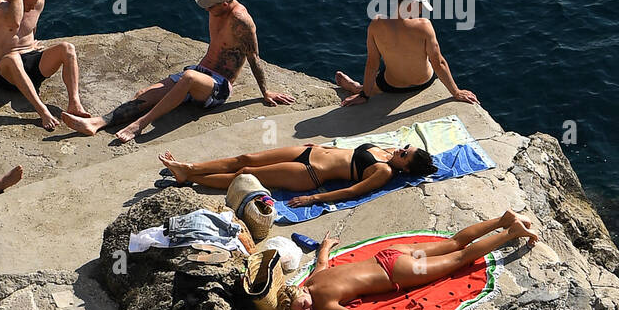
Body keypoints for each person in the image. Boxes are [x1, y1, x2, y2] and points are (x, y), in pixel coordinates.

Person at [62, 0, 295, 143]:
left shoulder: (241, 22)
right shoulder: (217, 10)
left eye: (210, 6)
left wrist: (265, 92)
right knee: (145, 93)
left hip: (218, 87)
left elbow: (254, 57)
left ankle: (140, 125)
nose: (206, 9)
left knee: (188, 77)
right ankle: (97, 123)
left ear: (224, 4)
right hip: (200, 71)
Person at [276, 211, 537, 310]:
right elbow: (322, 261)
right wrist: (325, 246)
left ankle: (511, 232)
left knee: (460, 257)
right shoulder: (312, 280)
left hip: (399, 273)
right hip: (391, 253)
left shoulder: (324, 304)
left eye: (303, 307)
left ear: (298, 293)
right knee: (454, 243)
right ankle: (505, 219)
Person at [334, 0, 478, 107]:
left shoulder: (376, 24)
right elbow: (439, 63)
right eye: (421, 7)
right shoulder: (424, 26)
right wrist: (456, 92)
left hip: (391, 85)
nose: (421, 11)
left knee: (372, 82)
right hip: (423, 82)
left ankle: (355, 87)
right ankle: (357, 87)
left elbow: (372, 63)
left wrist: (364, 95)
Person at [157, 141, 436, 206]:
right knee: (246, 157)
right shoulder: (388, 151)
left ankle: (189, 174)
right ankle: (188, 169)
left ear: (406, 168)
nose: (400, 150)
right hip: (309, 150)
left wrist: (312, 200)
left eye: (404, 155)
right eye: (405, 148)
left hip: (309, 172)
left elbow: (352, 192)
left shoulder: (384, 171)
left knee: (246, 173)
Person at [0, 0, 89, 131]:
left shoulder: (39, 1)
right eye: (26, 4)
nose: (30, 8)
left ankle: (74, 103)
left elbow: (30, 26)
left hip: (32, 63)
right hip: (7, 71)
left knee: (67, 48)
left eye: (33, 4)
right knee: (14, 58)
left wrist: (30, 43)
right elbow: (14, 23)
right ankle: (43, 111)